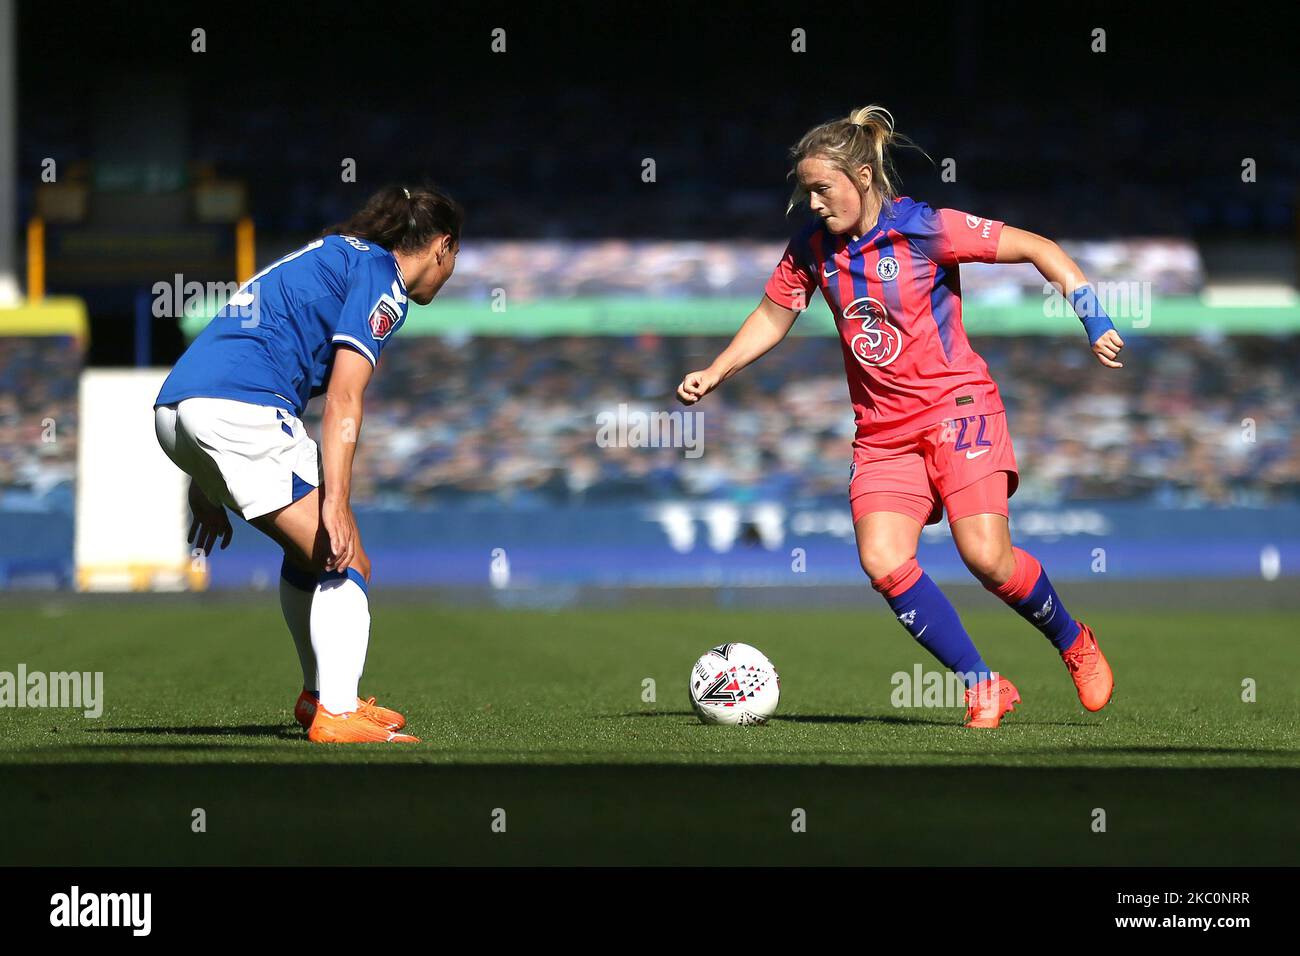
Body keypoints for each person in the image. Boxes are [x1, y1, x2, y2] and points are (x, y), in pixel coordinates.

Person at [677, 106, 1122, 728]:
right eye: (806, 192)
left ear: (861, 176)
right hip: (884, 435)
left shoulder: (925, 229)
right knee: (883, 560)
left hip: (958, 408)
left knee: (986, 559)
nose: (812, 205)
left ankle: (1074, 641)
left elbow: (1037, 248)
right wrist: (716, 370)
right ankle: (983, 685)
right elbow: (773, 315)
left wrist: (1094, 318)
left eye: (821, 189)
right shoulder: (811, 246)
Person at [153, 184, 462, 742]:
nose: (451, 273)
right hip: (239, 407)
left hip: (176, 409)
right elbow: (345, 397)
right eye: (455, 259)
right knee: (346, 557)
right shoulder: (381, 281)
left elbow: (235, 340)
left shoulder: (339, 254)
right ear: (441, 246)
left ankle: (320, 695)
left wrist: (204, 482)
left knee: (307, 556)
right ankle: (336, 713)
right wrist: (337, 503)